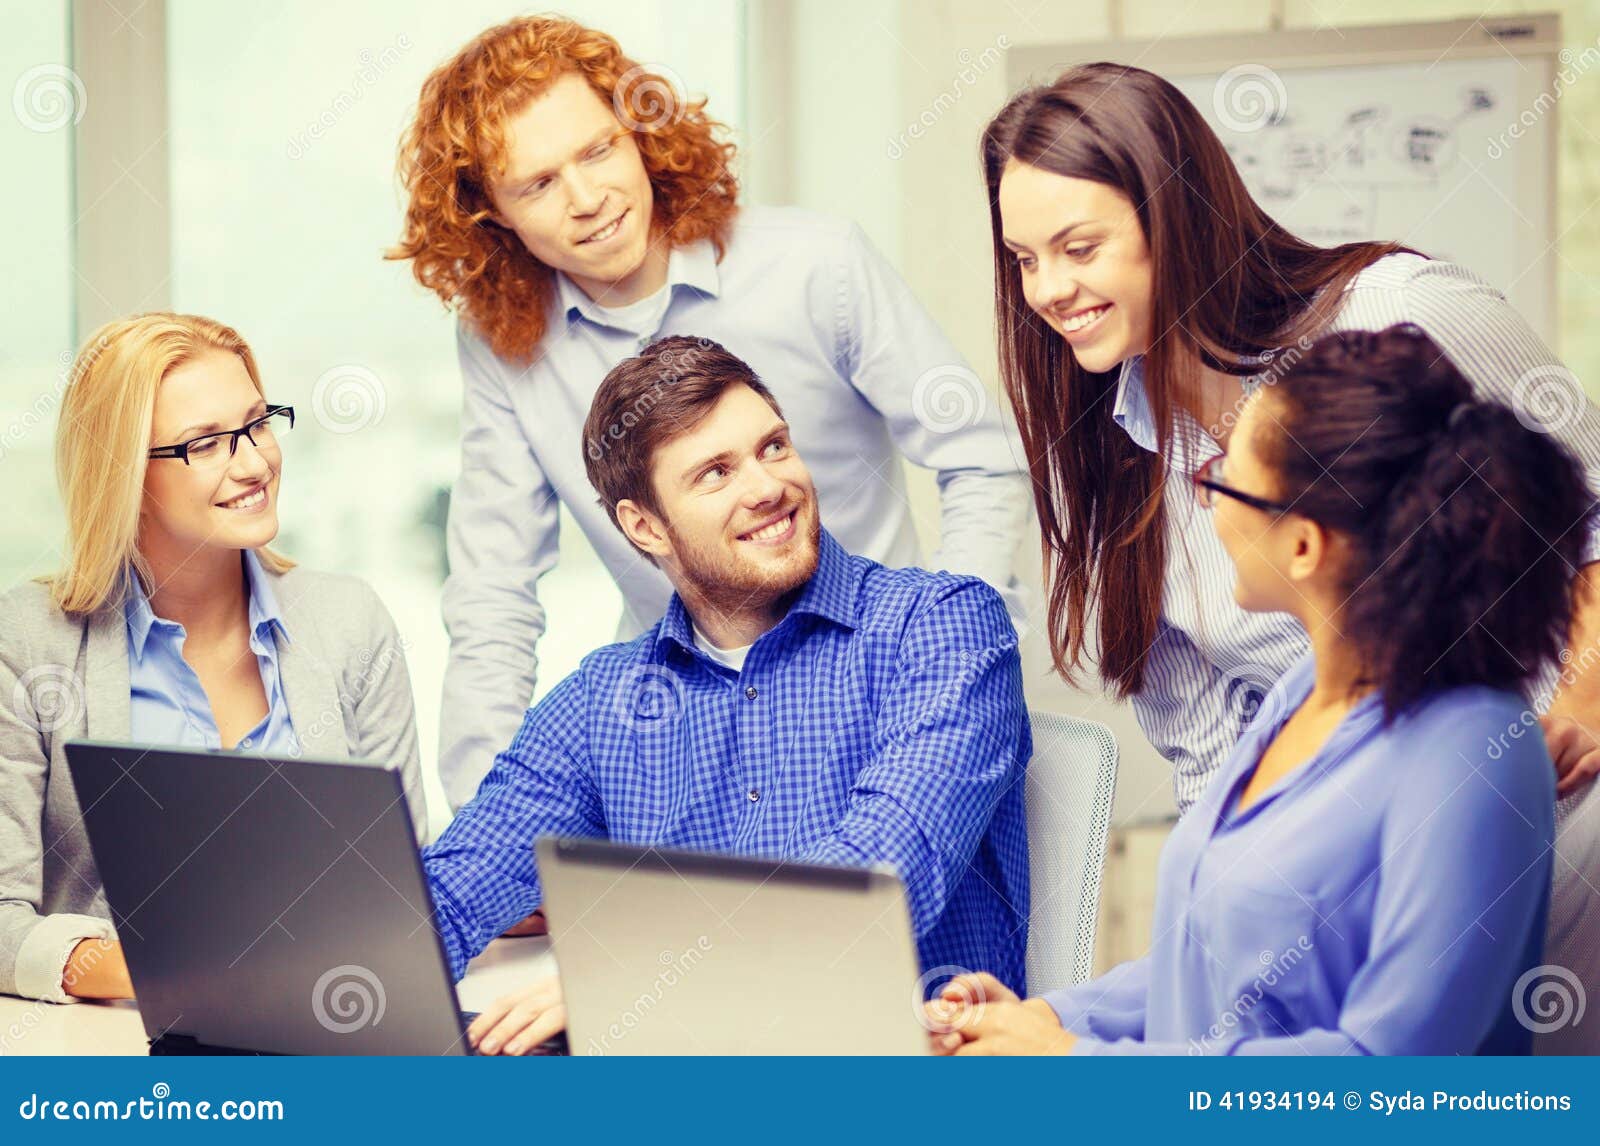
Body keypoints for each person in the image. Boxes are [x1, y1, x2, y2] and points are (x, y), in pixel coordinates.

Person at [390, 14, 1029, 811]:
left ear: (641, 134)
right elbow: (494, 585)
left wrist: (942, 661)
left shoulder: (816, 264)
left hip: (883, 706)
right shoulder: (502, 345)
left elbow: (982, 454)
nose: (588, 199)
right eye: (539, 184)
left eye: (598, 151)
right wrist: (492, 808)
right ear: (491, 214)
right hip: (683, 742)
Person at [926, 326, 1588, 1055]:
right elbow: (1219, 960)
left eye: (1222, 480)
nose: (1207, 503)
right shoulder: (1305, 691)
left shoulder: (1474, 759)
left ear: (1303, 545)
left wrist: (1073, 1066)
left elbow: (1387, 1076)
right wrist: (1052, 1018)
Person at [982, 62, 1600, 812]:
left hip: (1558, 799)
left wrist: (1579, 707)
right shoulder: (1102, 453)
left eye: (1079, 249)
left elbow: (1591, 510)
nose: (1046, 290)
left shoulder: (1399, 311)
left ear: (1177, 216)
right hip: (1364, 852)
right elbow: (1216, 765)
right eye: (1024, 260)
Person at [421, 336, 1030, 1055]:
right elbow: (457, 887)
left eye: (773, 447)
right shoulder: (601, 700)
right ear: (644, 527)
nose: (768, 486)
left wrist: (631, 978)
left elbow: (876, 888)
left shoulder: (942, 628)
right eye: (716, 472)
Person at [0, 313, 427, 1004]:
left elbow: (400, 888)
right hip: (121, 1051)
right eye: (206, 444)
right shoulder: (30, 639)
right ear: (122, 472)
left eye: (258, 424)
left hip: (334, 1026)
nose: (255, 463)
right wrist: (161, 972)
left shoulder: (352, 623)